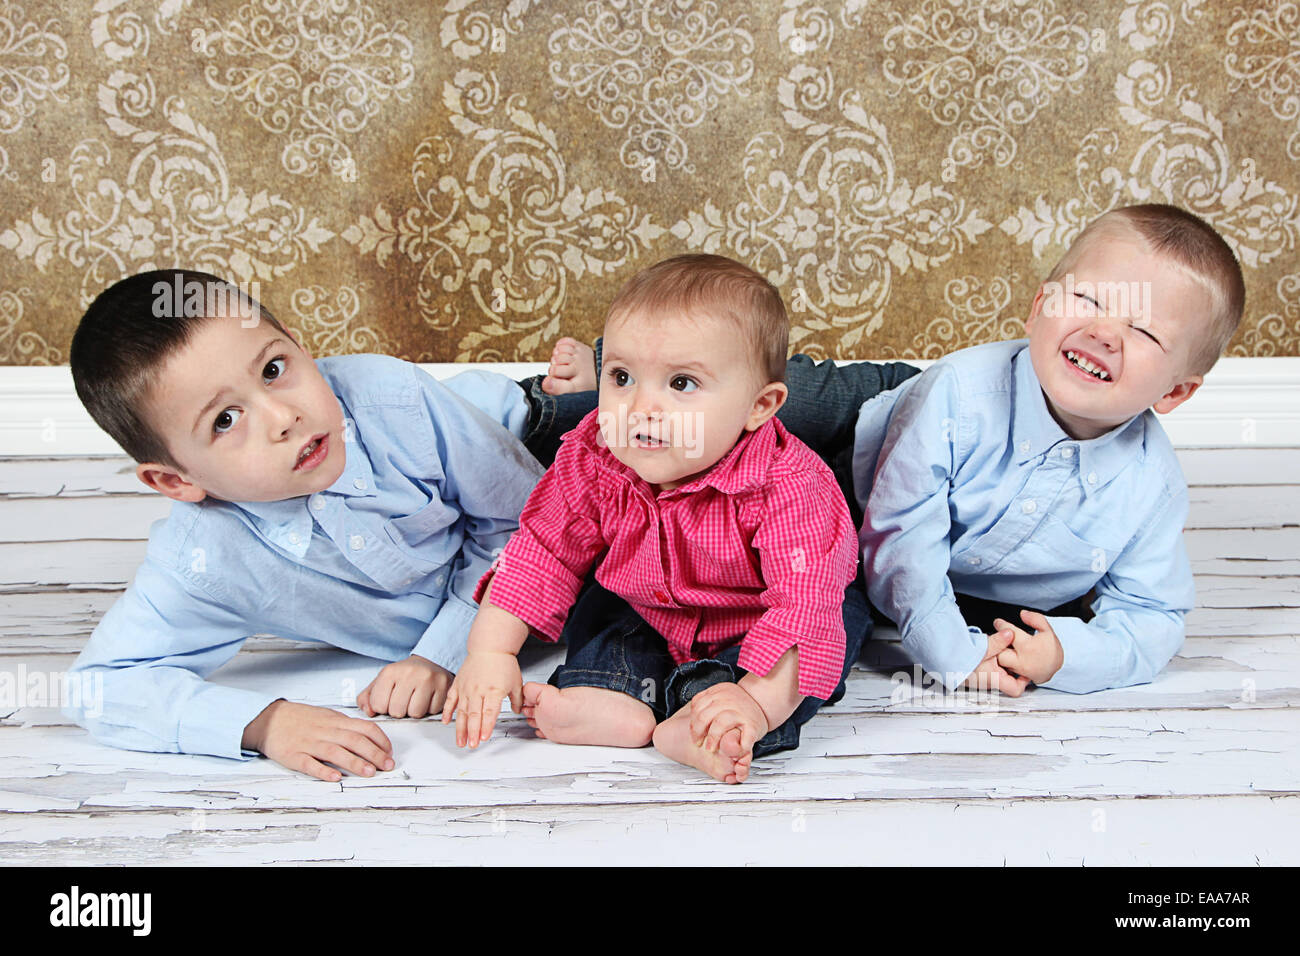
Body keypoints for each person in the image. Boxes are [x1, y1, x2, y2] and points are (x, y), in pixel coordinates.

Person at [63, 270, 544, 781]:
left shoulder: (392, 396)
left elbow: (529, 523)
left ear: (298, 342)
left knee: (619, 424)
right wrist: (263, 724)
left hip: (529, 434)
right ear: (174, 481)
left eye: (273, 368)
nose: (282, 417)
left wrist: (443, 650)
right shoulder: (205, 558)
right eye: (225, 420)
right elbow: (99, 685)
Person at [442, 254, 865, 784]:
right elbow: (544, 549)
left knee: (817, 645)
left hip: (762, 613)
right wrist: (491, 650)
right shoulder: (595, 455)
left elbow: (802, 607)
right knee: (608, 618)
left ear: (760, 406)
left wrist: (755, 702)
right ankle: (610, 694)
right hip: (650, 603)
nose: (640, 406)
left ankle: (718, 721)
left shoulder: (789, 484)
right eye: (621, 376)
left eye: (682, 384)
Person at [853, 204, 1245, 695]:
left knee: (826, 627)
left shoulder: (1152, 487)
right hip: (865, 456)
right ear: (1040, 306)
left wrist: (1067, 655)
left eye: (1143, 331)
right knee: (775, 388)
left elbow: (1152, 615)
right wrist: (952, 654)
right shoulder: (958, 393)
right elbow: (903, 533)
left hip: (951, 580)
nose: (1104, 333)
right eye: (1087, 299)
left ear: (1174, 392)